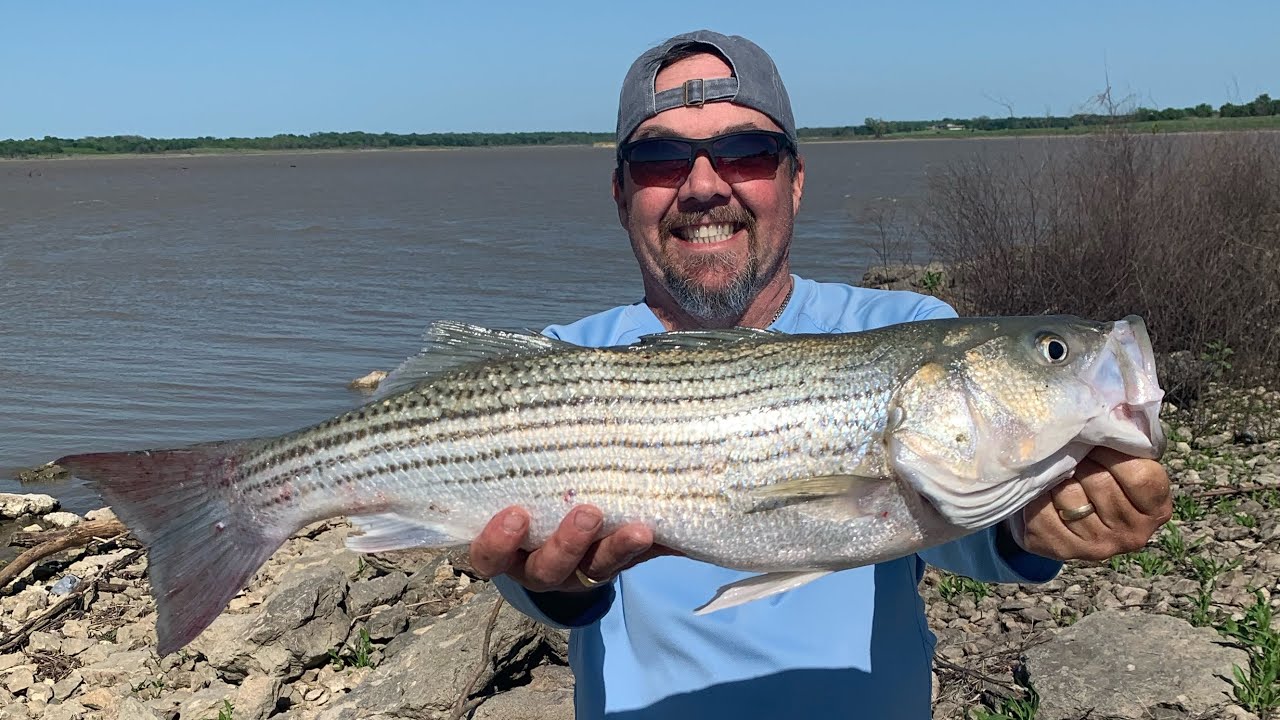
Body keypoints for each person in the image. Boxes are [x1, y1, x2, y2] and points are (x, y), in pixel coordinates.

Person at [468, 30, 1172, 719]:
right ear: (621, 195)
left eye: (747, 151)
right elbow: (538, 579)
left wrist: (1038, 520)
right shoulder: (560, 359)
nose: (705, 186)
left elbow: (964, 520)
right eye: (659, 158)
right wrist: (556, 586)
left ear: (794, 181)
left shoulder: (904, 324)